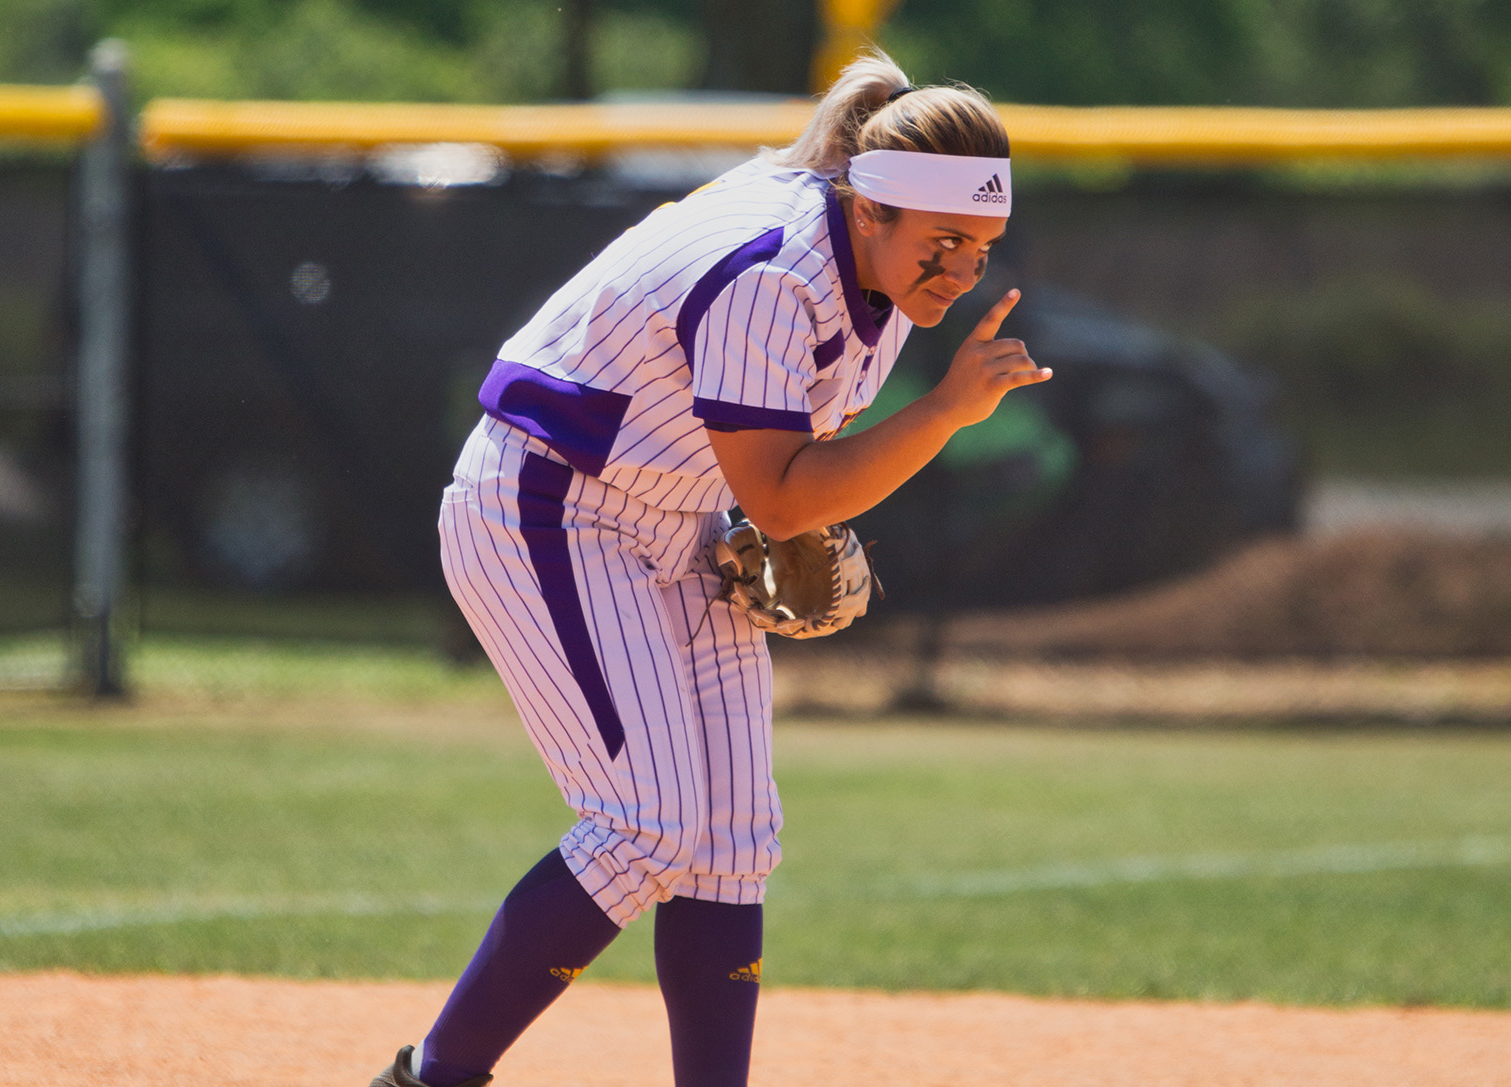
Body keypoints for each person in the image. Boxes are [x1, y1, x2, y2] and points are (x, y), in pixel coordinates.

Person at [371, 48, 1050, 1087]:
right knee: (647, 824)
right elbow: (783, 494)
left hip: (675, 517)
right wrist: (947, 411)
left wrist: (780, 521)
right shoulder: (777, 274)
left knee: (732, 839)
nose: (961, 273)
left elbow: (772, 482)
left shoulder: (871, 268)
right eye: (944, 242)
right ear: (870, 210)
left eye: (982, 247)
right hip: (551, 507)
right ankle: (430, 1078)